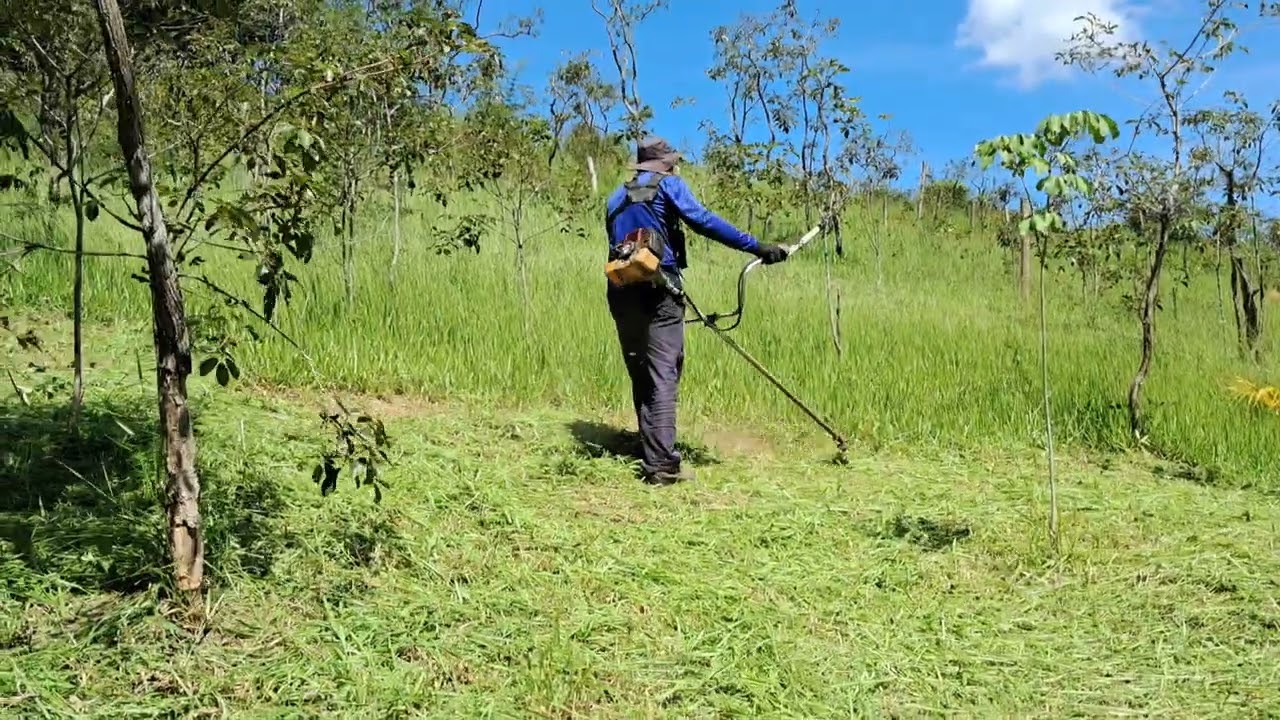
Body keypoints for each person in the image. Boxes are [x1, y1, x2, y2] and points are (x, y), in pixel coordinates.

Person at [604, 135, 788, 485]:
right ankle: (660, 467)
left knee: (641, 370)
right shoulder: (668, 185)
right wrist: (757, 247)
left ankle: (651, 447)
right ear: (665, 164)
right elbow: (702, 220)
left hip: (620, 289)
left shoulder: (614, 197)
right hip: (659, 290)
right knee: (664, 371)